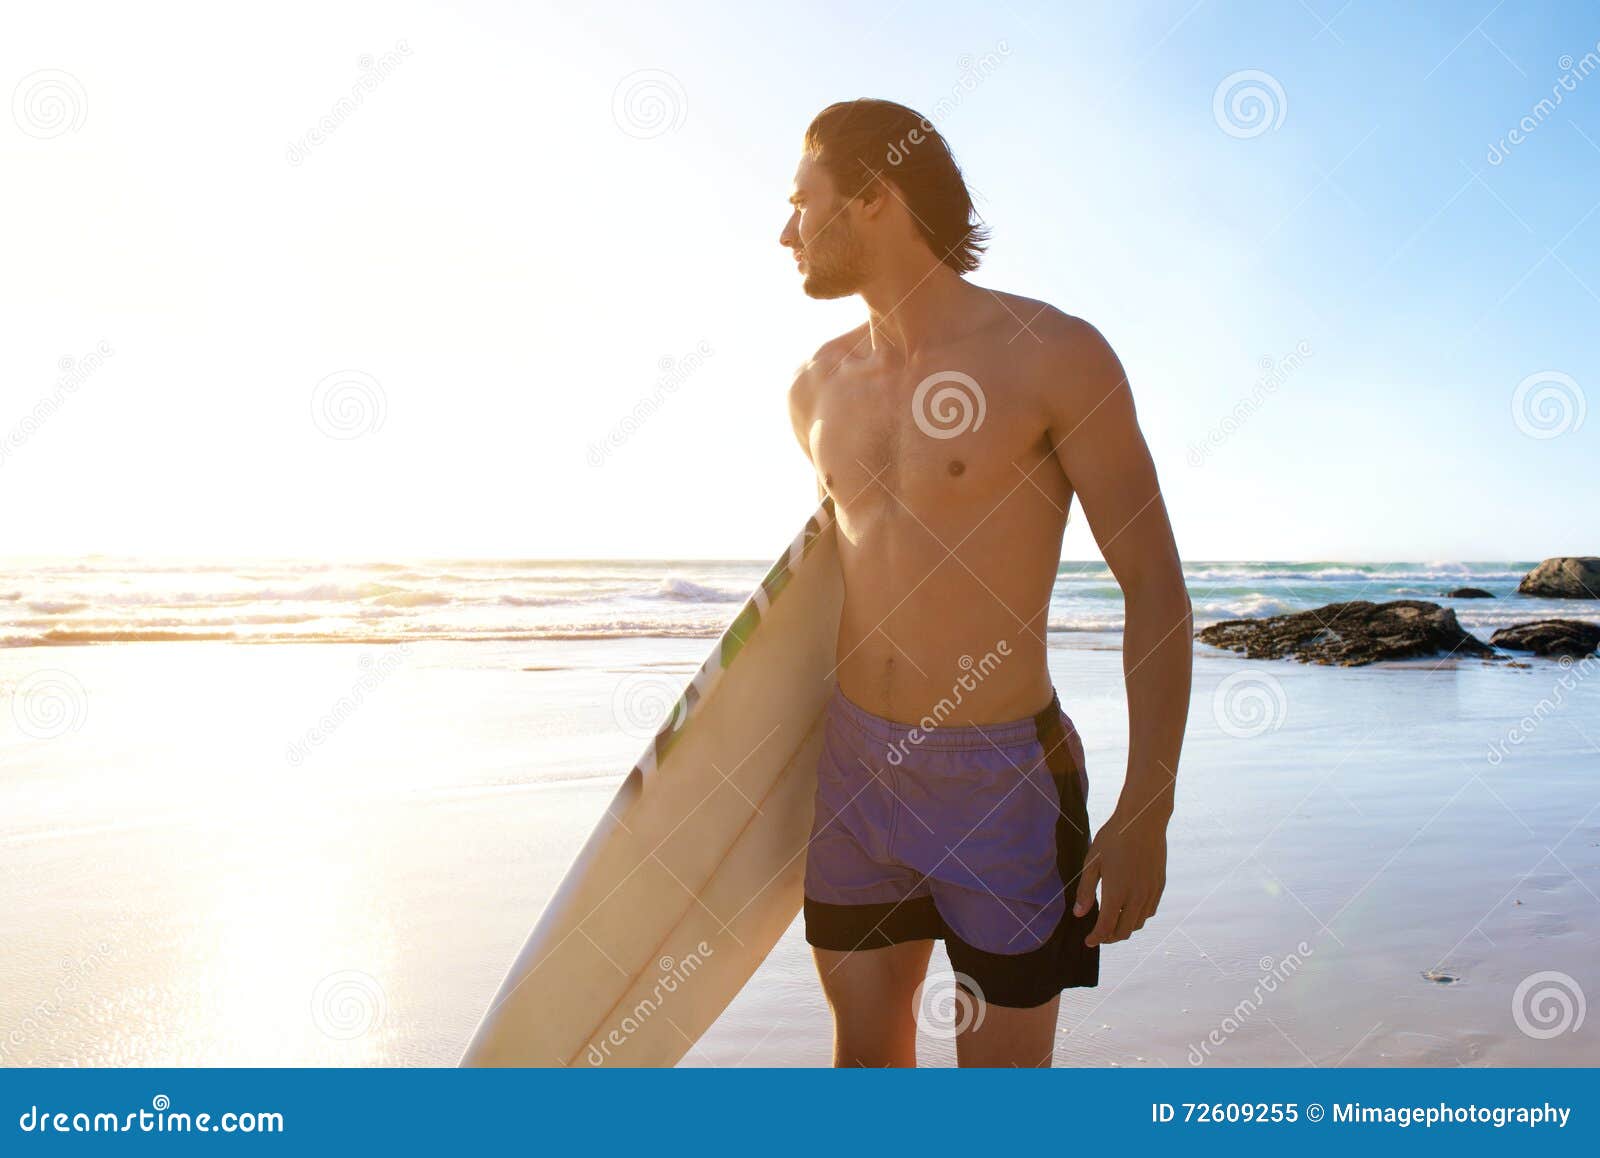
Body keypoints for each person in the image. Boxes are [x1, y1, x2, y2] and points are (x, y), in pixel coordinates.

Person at [781, 99, 1193, 1067]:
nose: (785, 229)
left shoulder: (1053, 356)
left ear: (875, 197)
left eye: (803, 203)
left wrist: (1148, 808)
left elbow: (1154, 586)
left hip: (1000, 784)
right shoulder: (814, 388)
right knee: (866, 1059)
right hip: (854, 770)